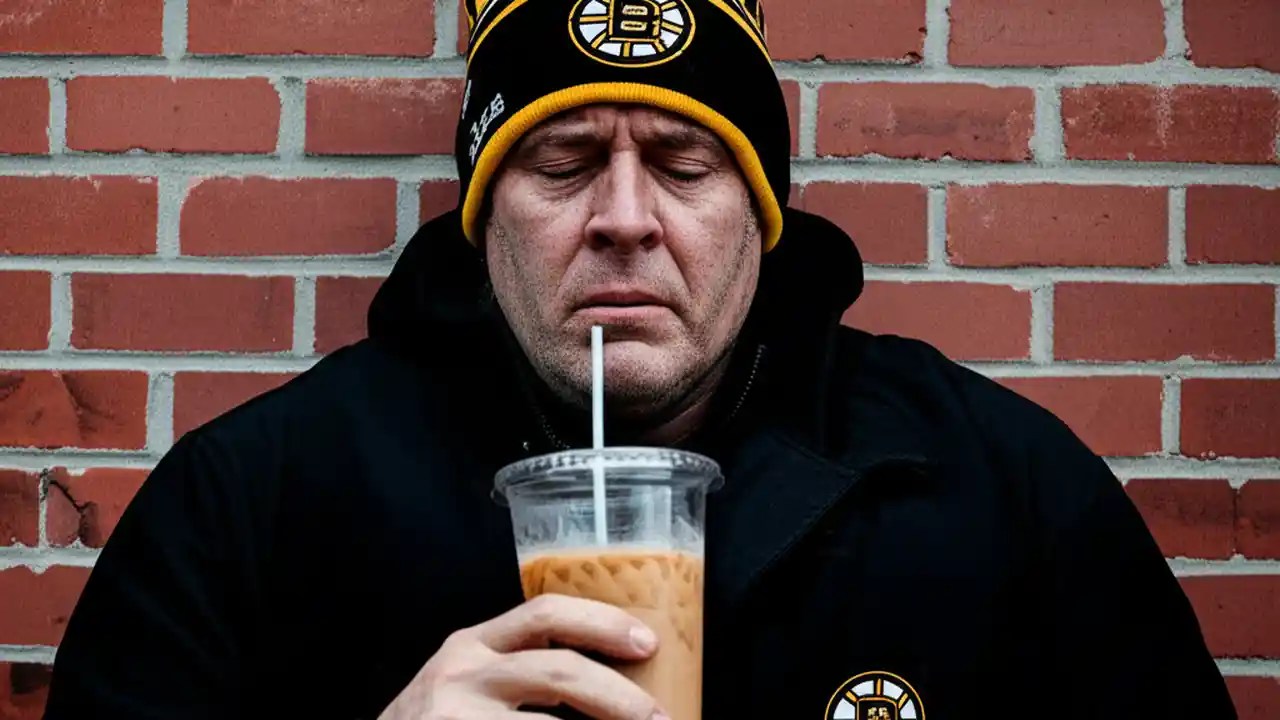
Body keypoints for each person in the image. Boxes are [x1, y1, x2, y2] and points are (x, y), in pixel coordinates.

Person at [46, 0, 1235, 718]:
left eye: (683, 164)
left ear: (758, 214)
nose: (623, 218)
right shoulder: (250, 504)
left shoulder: (995, 487)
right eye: (562, 163)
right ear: (484, 216)